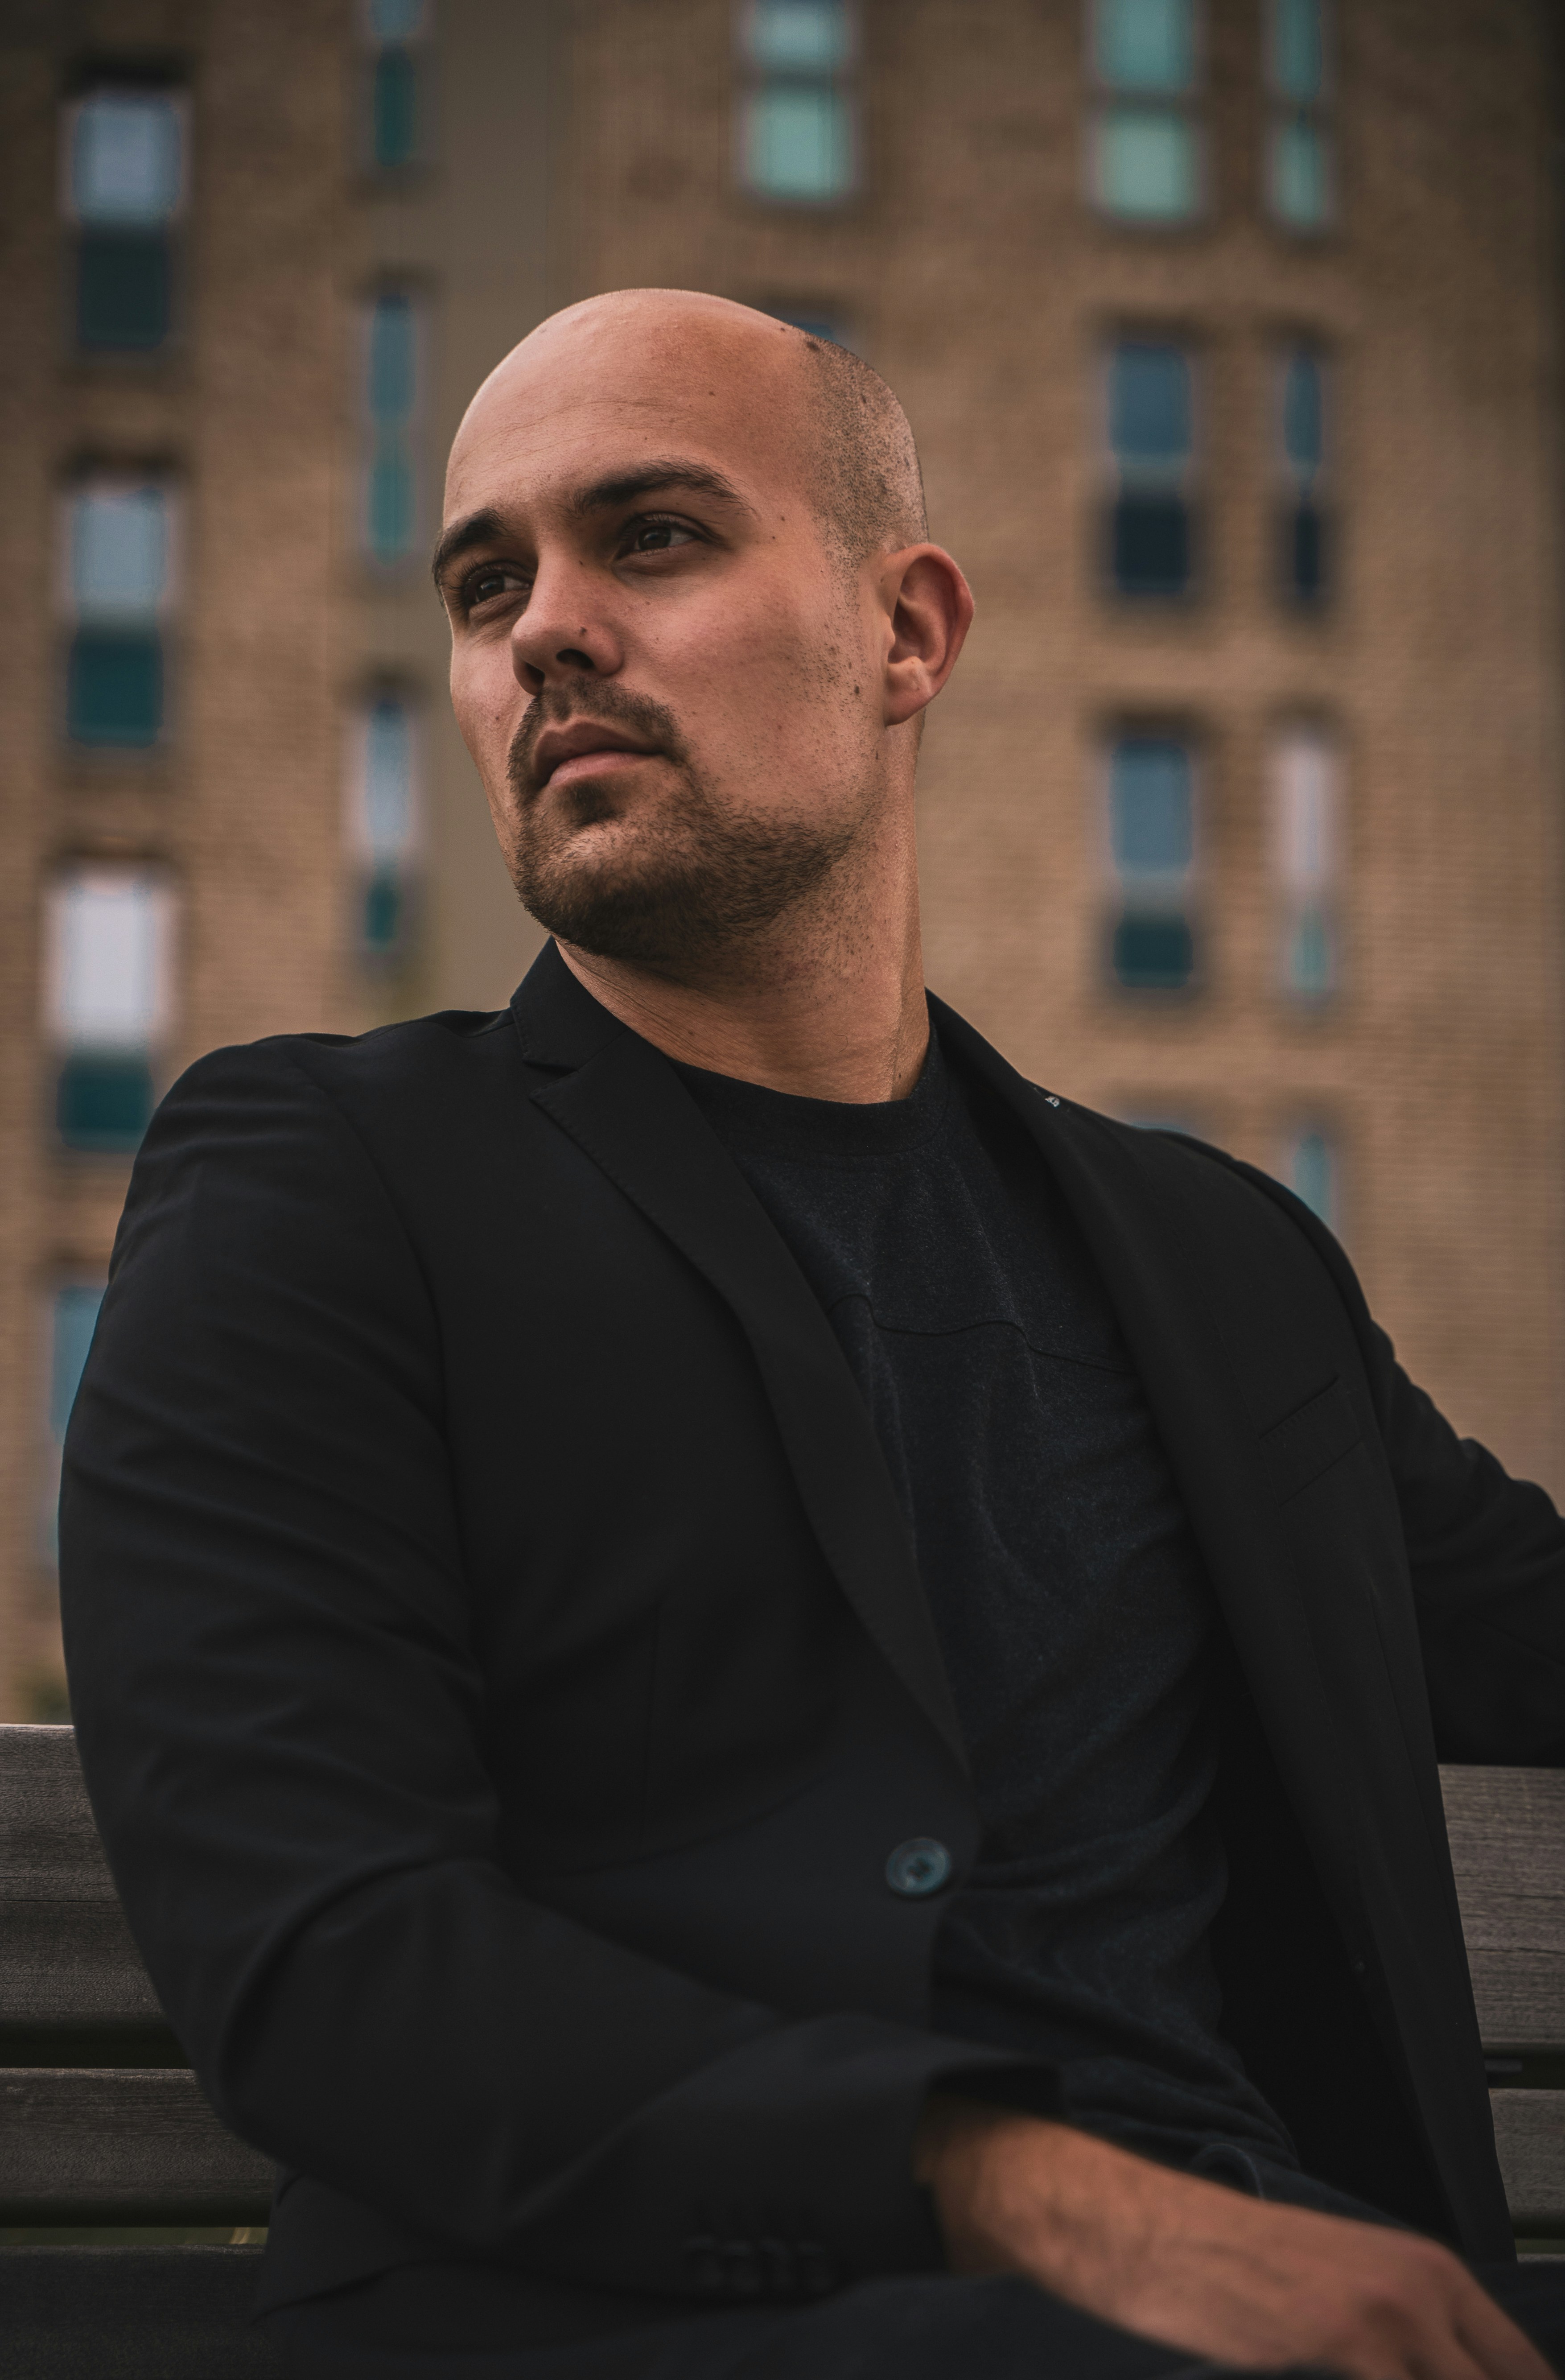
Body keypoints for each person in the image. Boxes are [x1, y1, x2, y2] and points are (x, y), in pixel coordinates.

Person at [60, 290, 1565, 2380]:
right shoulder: (324, 1175)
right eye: (487, 585)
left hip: (1300, 2310)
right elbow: (326, 1957)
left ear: (908, 634)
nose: (543, 635)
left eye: (651, 538)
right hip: (626, 2320)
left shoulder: (1219, 1259)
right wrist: (1034, 2190)